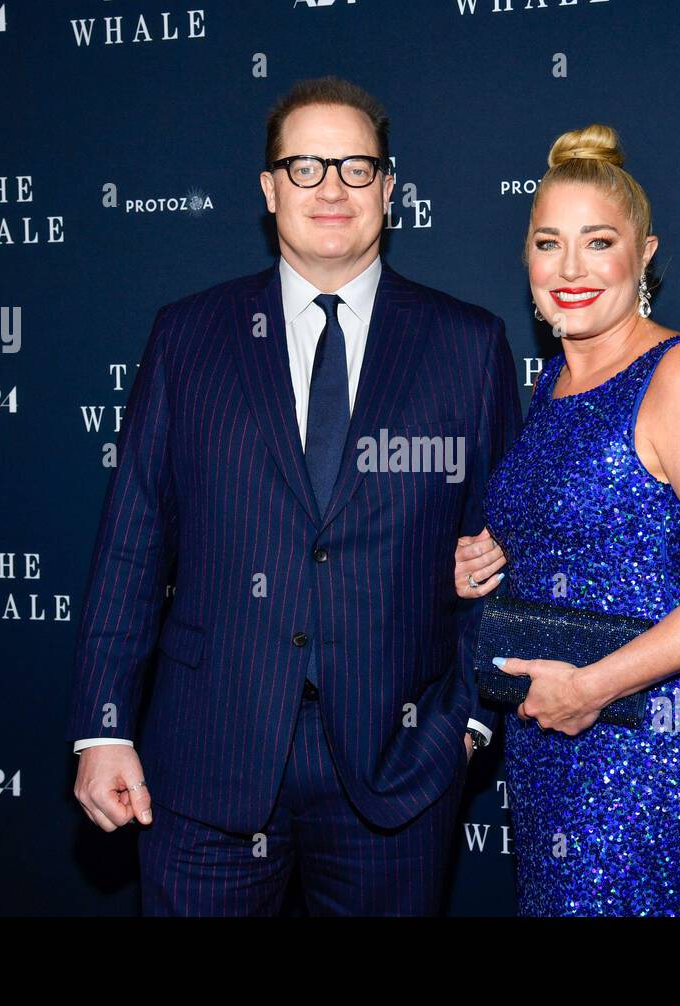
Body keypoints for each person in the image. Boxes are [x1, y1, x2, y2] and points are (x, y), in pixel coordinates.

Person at [66, 75, 521, 916]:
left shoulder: (468, 344)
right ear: (270, 188)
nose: (332, 189)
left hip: (400, 765)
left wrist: (470, 728)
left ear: (390, 188)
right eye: (305, 167)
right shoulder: (188, 336)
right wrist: (104, 726)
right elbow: (133, 538)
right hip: (205, 757)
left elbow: (502, 552)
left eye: (356, 167)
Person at [454, 124, 680, 916]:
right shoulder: (551, 385)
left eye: (597, 242)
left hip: (653, 749)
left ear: (644, 256)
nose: (570, 269)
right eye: (548, 243)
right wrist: (486, 560)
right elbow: (584, 532)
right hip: (549, 735)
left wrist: (595, 687)